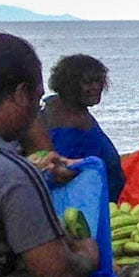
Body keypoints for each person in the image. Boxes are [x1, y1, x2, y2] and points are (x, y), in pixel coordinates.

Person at [0, 35, 99, 277]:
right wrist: (88, 255)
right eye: (37, 97)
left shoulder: (15, 172)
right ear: (21, 93)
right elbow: (56, 274)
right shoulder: (11, 176)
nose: (38, 107)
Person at [39, 54, 125, 200]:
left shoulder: (76, 111)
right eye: (87, 82)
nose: (96, 87)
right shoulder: (65, 122)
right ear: (70, 85)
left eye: (98, 81)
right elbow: (64, 176)